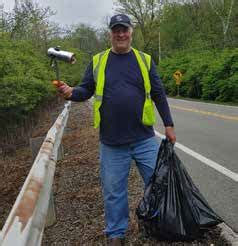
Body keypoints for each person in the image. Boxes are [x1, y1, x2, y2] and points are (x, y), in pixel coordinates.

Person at [57, 14, 176, 246]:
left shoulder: (145, 60)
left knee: (158, 184)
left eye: (124, 30)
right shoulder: (98, 61)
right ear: (110, 33)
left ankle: (158, 223)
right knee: (114, 192)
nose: (120, 34)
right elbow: (86, 90)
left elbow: (159, 94)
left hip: (144, 139)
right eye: (116, 30)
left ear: (131, 32)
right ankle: (115, 234)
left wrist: (169, 125)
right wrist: (71, 92)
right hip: (111, 143)